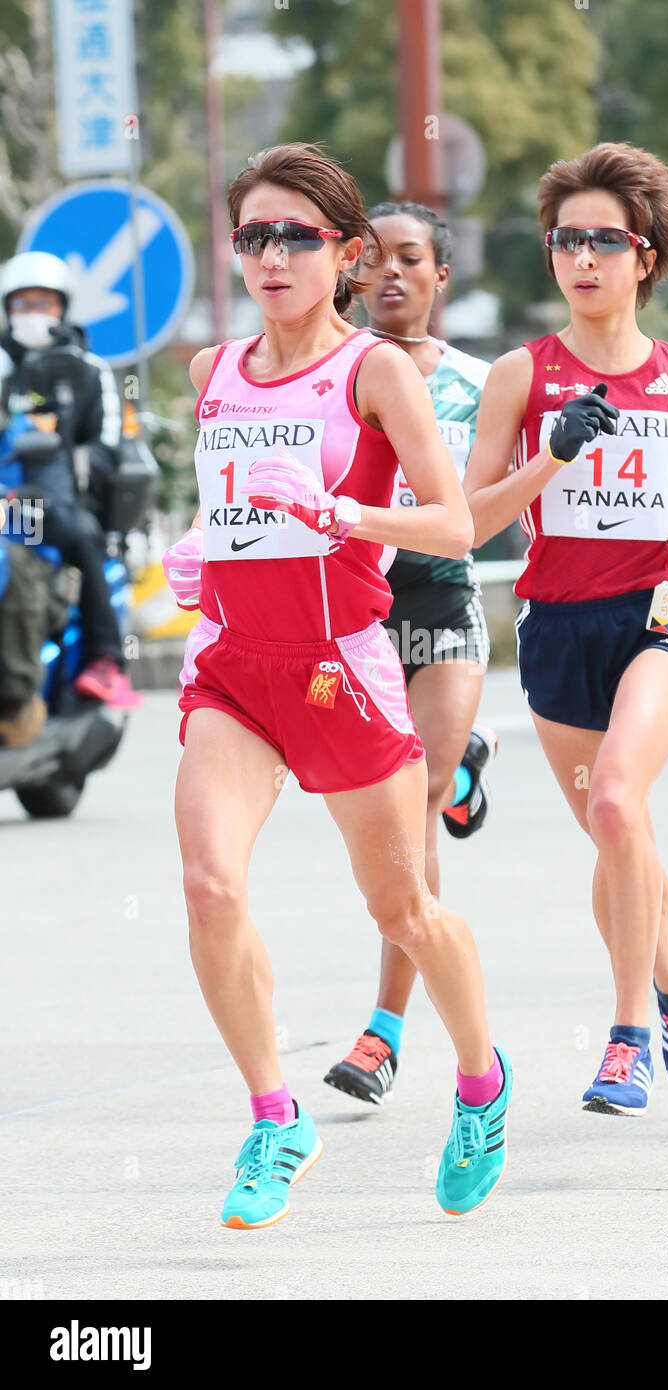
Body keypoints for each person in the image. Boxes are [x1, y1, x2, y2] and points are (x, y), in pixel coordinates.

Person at [162, 144, 511, 1226]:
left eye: (295, 237)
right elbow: (229, 500)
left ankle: (480, 1083)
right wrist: (198, 543)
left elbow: (453, 523)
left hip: (337, 671)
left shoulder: (375, 372)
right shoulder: (210, 372)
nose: (271, 256)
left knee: (402, 908)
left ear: (347, 254)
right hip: (232, 666)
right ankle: (277, 1118)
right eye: (252, 236)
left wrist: (341, 515)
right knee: (210, 886)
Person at [463, 142, 668, 1117]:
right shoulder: (519, 376)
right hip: (557, 627)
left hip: (657, 615)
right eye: (566, 241)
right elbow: (468, 519)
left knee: (612, 803)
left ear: (645, 257)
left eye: (604, 241)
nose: (582, 259)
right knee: (618, 837)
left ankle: (628, 1038)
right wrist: (549, 459)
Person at [323, 201, 498, 1106]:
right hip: (356, 610)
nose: (391, 272)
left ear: (440, 276)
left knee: (416, 802)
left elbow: (505, 493)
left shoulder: (478, 382)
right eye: (376, 259)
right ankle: (465, 762)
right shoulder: (328, 376)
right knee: (389, 806)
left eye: (412, 258)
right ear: (350, 272)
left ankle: (383, 1033)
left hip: (442, 602)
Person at [0, 251, 138, 707]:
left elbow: (107, 445)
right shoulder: (4, 367)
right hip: (6, 501)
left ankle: (106, 659)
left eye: (43, 302)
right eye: (22, 303)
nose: (32, 312)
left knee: (80, 534)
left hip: (58, 502)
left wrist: (63, 466)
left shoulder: (88, 369)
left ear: (62, 308)